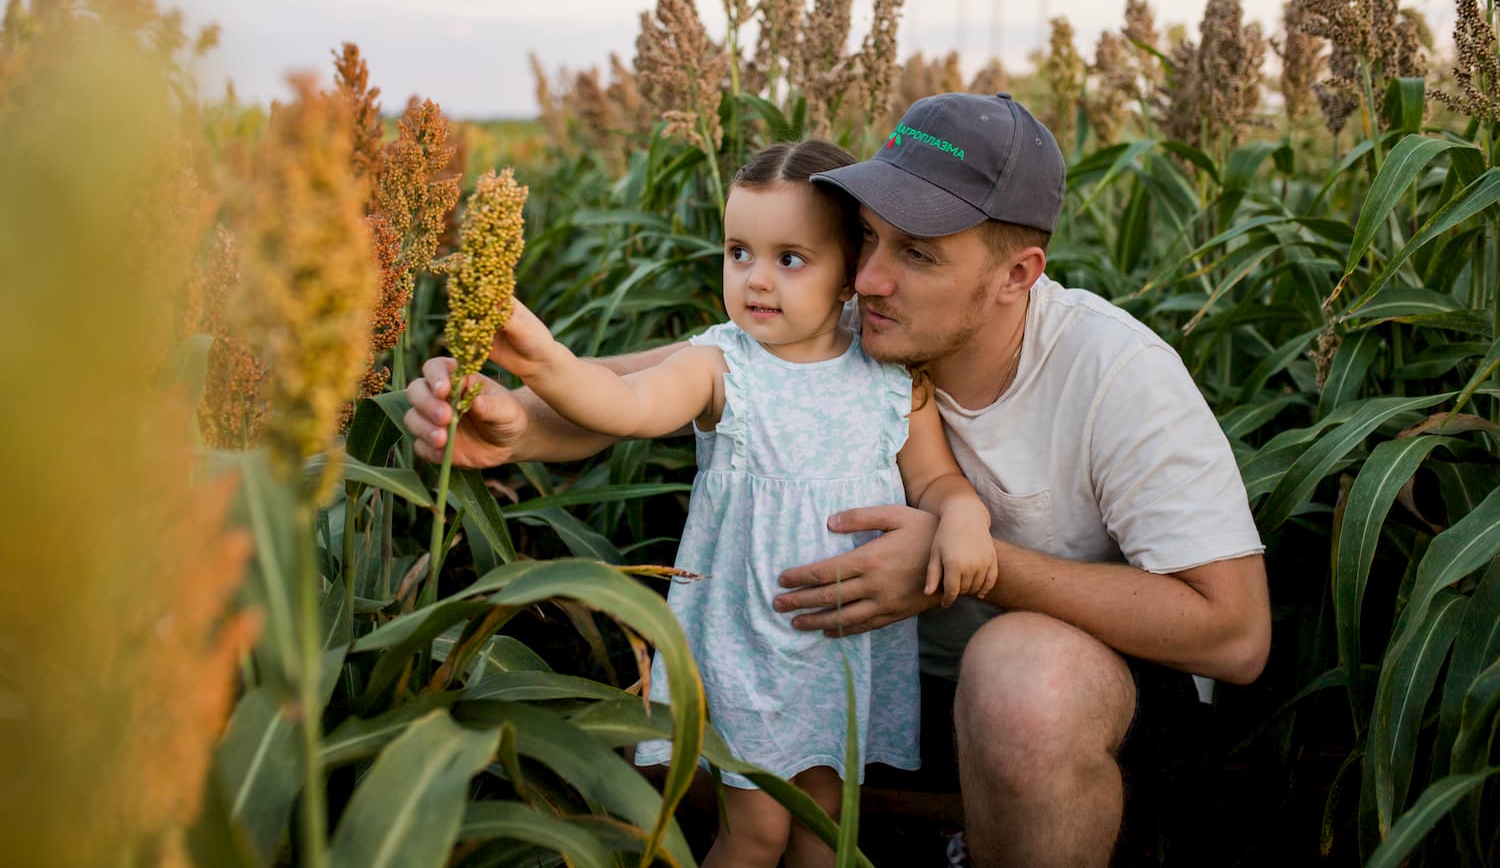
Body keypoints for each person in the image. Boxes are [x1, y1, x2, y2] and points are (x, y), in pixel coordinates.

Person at [405, 93, 1272, 868]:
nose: (867, 278)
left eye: (919, 254)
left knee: (1022, 678)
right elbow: (647, 384)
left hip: (1073, 716)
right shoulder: (853, 318)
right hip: (847, 678)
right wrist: (508, 425)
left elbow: (1235, 636)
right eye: (866, 238)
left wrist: (970, 567)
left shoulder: (1116, 376)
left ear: (1017, 276)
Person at [469, 139, 996, 868]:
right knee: (755, 833)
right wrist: (546, 363)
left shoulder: (890, 380)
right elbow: (627, 403)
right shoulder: (721, 365)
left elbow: (936, 481)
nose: (755, 279)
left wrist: (965, 516)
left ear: (851, 275)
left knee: (826, 825)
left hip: (844, 651)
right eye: (738, 251)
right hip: (750, 647)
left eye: (789, 258)